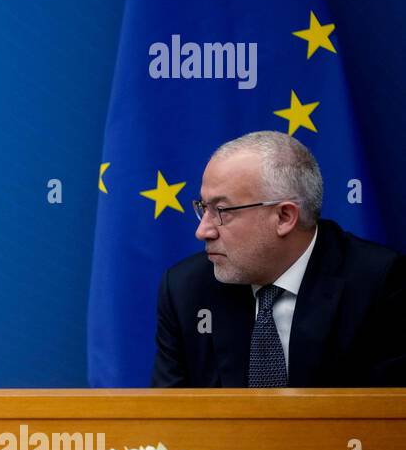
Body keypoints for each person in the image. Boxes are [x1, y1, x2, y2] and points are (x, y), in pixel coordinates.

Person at [153, 131, 405, 387]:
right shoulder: (185, 289)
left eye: (222, 211)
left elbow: (387, 416)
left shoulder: (378, 282)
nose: (202, 231)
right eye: (203, 208)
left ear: (284, 217)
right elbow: (170, 416)